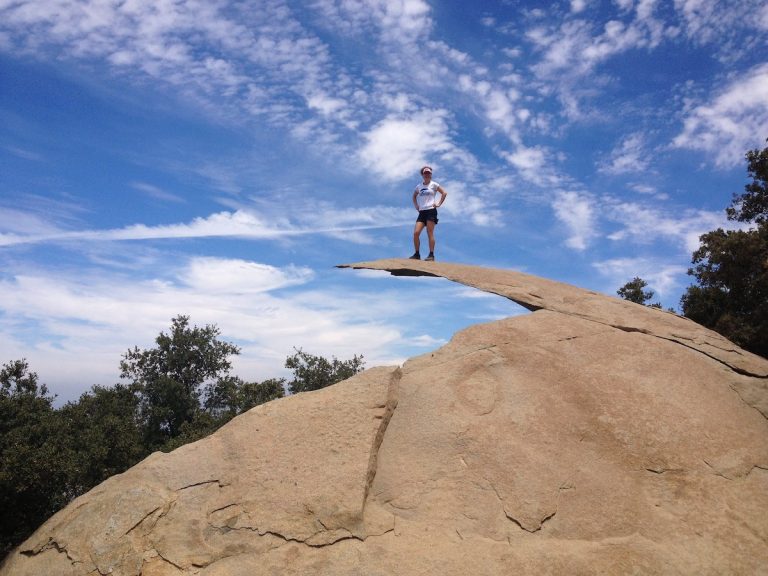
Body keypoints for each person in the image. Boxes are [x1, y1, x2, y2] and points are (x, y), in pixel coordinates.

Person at [410, 165, 447, 261]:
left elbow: (444, 193)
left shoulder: (434, 184)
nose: (427, 174)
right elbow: (414, 196)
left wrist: (438, 203)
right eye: (425, 173)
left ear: (431, 174)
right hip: (422, 212)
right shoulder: (419, 186)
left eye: (428, 173)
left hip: (431, 210)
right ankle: (417, 254)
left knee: (429, 232)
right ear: (422, 175)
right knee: (416, 233)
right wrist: (416, 206)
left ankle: (431, 255)